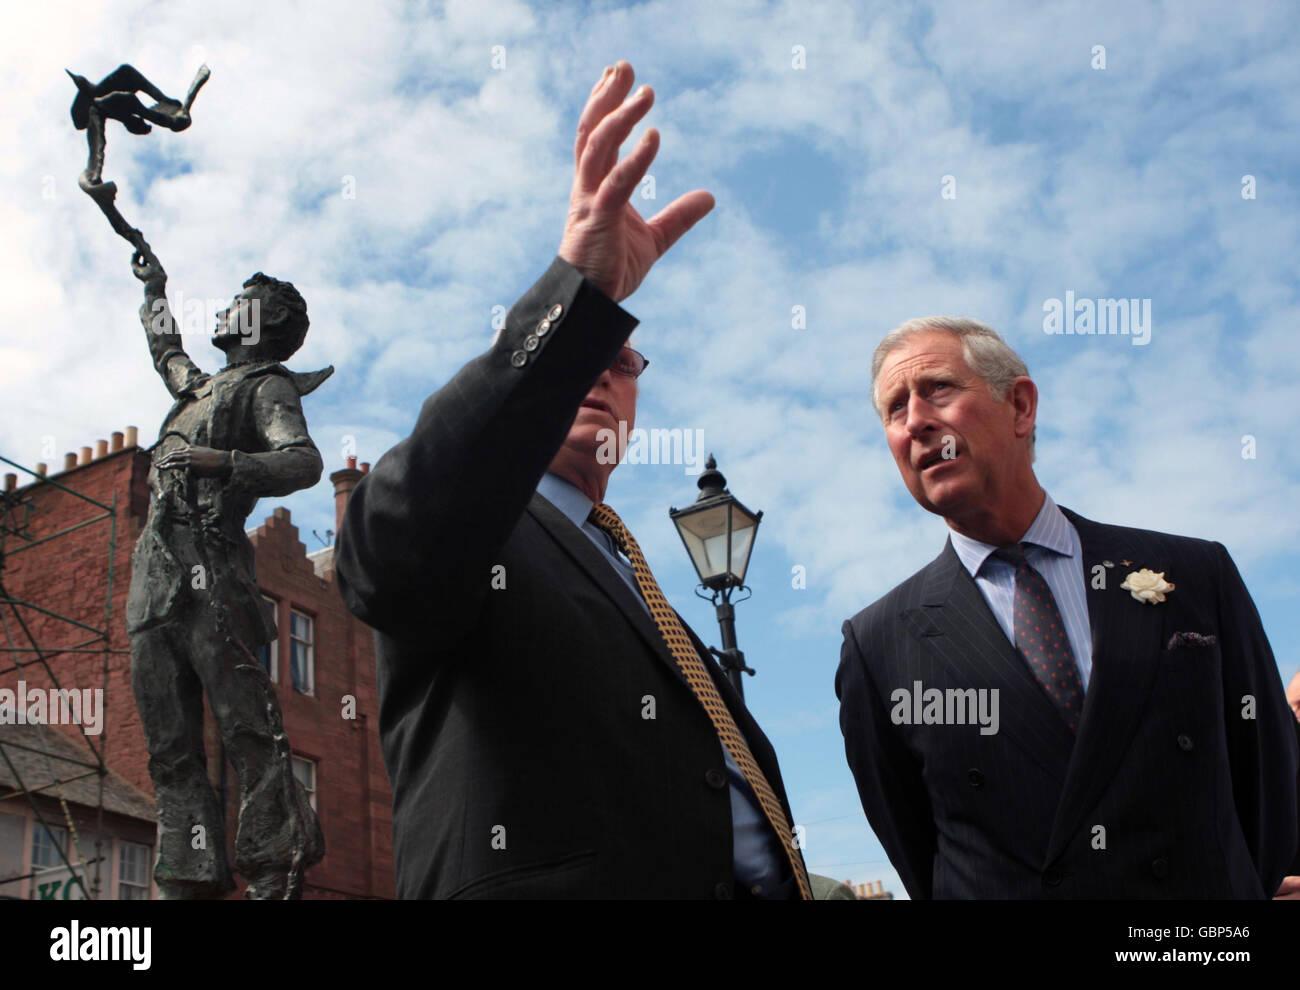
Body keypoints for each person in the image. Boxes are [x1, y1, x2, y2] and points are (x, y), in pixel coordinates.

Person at [335, 61, 811, 899]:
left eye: (621, 359)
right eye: (582, 355)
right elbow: (386, 553)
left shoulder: (634, 582)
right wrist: (580, 298)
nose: (600, 371)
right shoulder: (475, 525)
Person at [835, 316, 1298, 899]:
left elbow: (1271, 795)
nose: (917, 421)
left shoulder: (1197, 576)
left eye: (938, 389)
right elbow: (918, 852)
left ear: (1021, 406)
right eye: (894, 409)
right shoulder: (877, 646)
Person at [126, 243, 329, 899]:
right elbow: (168, 353)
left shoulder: (265, 386)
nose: (222, 310)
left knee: (251, 733)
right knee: (171, 748)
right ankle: (187, 880)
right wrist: (155, 287)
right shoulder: (200, 387)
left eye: (237, 304)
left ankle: (277, 869)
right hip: (155, 582)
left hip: (213, 572)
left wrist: (222, 463)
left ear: (262, 325)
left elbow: (301, 463)